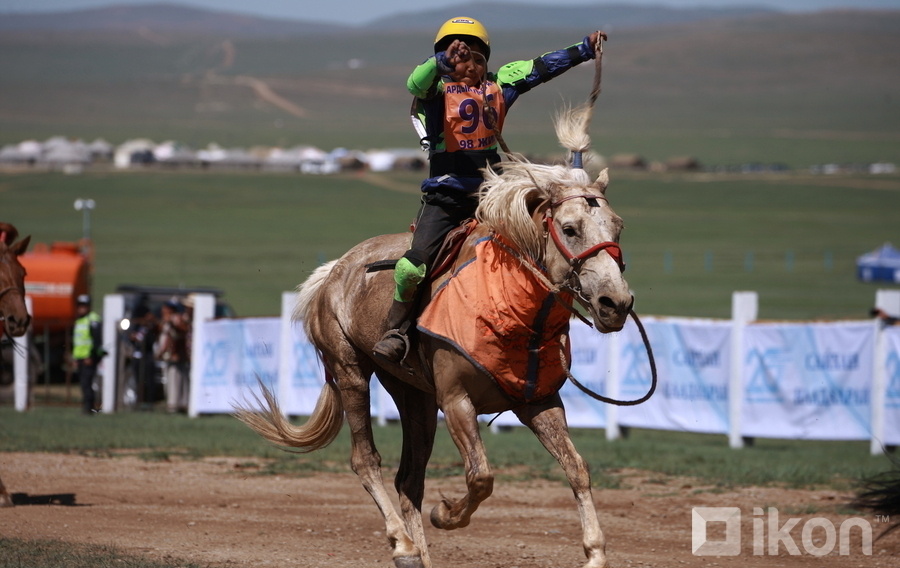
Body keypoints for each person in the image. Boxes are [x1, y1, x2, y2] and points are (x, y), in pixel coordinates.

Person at [373, 16, 607, 363]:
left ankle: (565, 307)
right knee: (411, 268)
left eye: (475, 57)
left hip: (493, 196)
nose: (467, 64)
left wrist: (583, 50)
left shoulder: (500, 85)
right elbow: (414, 84)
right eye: (457, 58)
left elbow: (541, 67)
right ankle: (397, 330)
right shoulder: (435, 94)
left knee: (545, 240)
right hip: (446, 197)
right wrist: (440, 62)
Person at [156, 298, 190, 413]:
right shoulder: (167, 320)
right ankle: (175, 404)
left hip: (177, 356)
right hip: (171, 356)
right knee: (173, 382)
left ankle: (175, 406)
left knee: (176, 382)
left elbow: (177, 334)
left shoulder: (177, 319)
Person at [72, 294, 104, 414]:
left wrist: (91, 356)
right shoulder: (79, 320)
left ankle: (89, 409)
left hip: (88, 358)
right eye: (80, 306)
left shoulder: (93, 319)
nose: (81, 308)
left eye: (84, 306)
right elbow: (77, 341)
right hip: (80, 357)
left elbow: (96, 340)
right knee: (83, 384)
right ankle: (86, 407)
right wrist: (75, 357)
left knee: (87, 383)